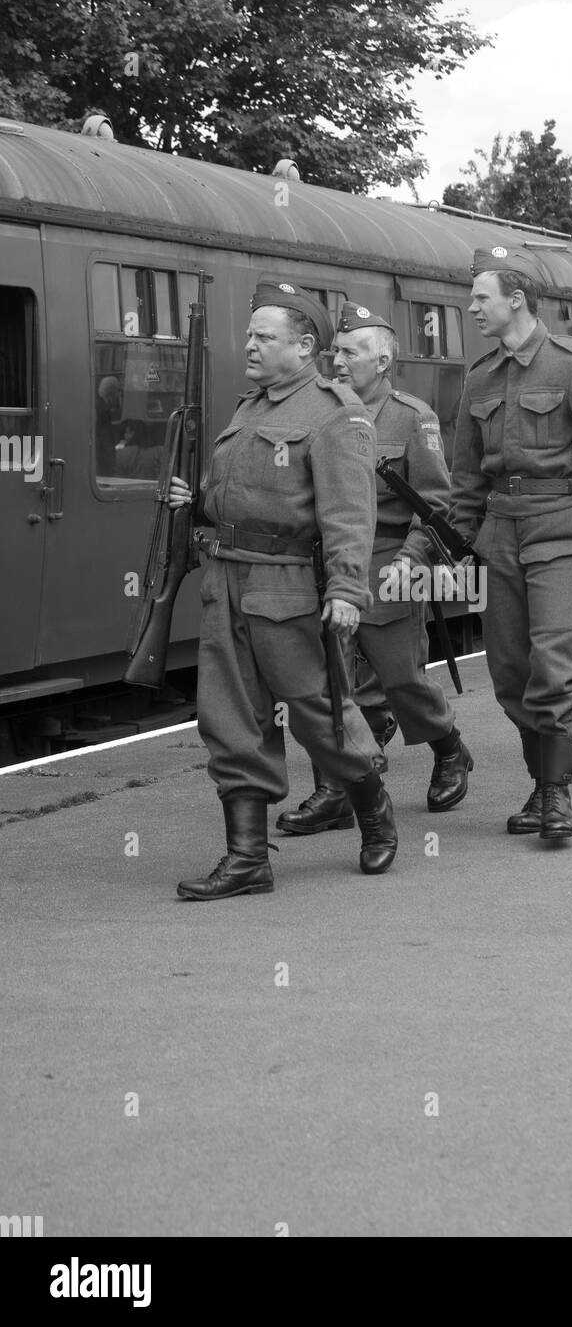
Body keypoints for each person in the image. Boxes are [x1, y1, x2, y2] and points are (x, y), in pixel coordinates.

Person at [167, 278, 398, 898]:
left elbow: (351, 514)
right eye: (249, 334)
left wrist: (347, 590)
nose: (249, 345)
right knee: (229, 719)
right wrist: (201, 507)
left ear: (304, 347)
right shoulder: (250, 409)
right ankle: (248, 860)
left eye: (263, 337)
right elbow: (239, 498)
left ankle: (372, 804)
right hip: (226, 581)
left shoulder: (334, 412)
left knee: (318, 713)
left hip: (286, 587)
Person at [449, 245, 572, 840]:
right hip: (499, 531)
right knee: (509, 671)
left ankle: (555, 793)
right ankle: (541, 781)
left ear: (516, 299)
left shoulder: (570, 364)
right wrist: (457, 541)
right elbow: (466, 475)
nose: (472, 307)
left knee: (555, 664)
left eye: (480, 297)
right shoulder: (480, 377)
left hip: (559, 528)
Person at [276, 301, 472, 835]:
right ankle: (336, 790)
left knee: (401, 679)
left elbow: (435, 503)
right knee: (330, 685)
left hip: (388, 560)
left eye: (350, 351)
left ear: (382, 361)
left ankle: (449, 748)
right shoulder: (318, 410)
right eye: (334, 350)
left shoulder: (412, 417)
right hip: (330, 561)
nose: (337, 360)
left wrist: (412, 560)